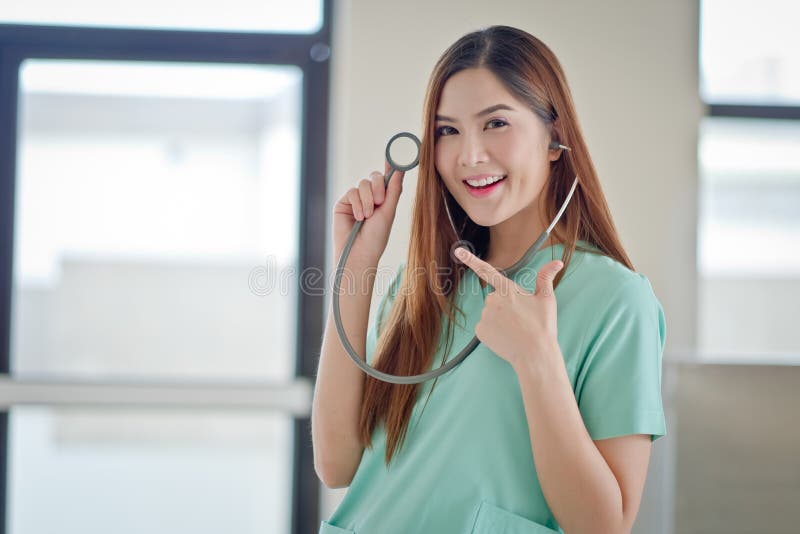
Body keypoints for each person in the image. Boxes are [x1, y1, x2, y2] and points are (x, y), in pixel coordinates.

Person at [312, 25, 666, 534]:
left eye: (495, 123)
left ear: (555, 136)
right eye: (446, 130)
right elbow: (336, 462)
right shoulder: (429, 285)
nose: (469, 155)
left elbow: (603, 527)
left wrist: (536, 358)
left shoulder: (617, 300)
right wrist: (357, 263)